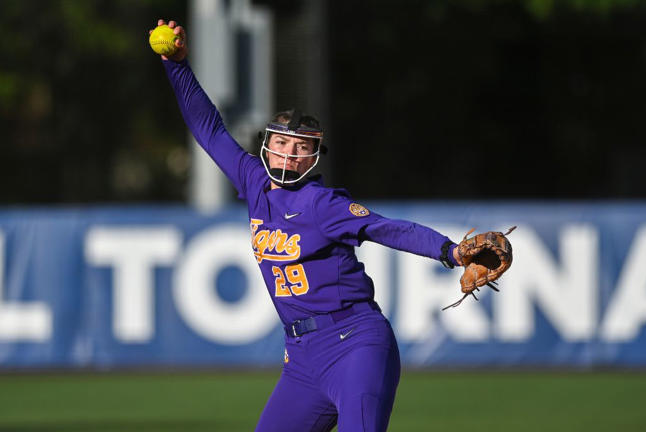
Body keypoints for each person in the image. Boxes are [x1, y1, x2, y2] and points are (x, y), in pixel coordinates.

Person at [153, 19, 464, 432]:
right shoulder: (253, 181)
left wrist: (451, 251)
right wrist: (177, 65)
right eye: (282, 143)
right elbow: (207, 129)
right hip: (300, 358)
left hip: (355, 345)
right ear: (267, 146)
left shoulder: (322, 204)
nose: (289, 153)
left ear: (314, 157)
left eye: (301, 147)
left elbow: (386, 228)